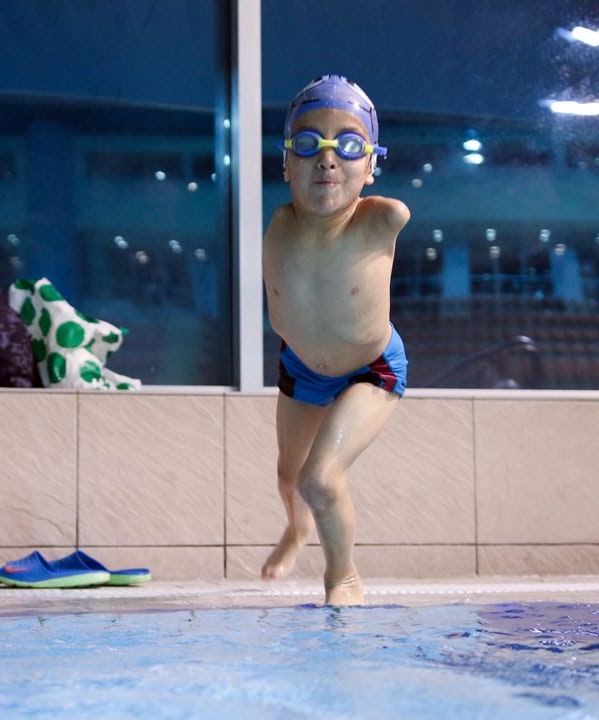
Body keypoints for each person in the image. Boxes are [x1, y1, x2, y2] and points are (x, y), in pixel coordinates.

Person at [260, 75, 410, 606]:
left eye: (347, 146)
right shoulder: (279, 224)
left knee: (319, 480)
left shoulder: (380, 220)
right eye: (308, 144)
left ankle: (343, 578)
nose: (327, 160)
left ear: (370, 165)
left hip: (371, 369)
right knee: (288, 478)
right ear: (285, 164)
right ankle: (296, 529)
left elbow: (389, 210)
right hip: (300, 367)